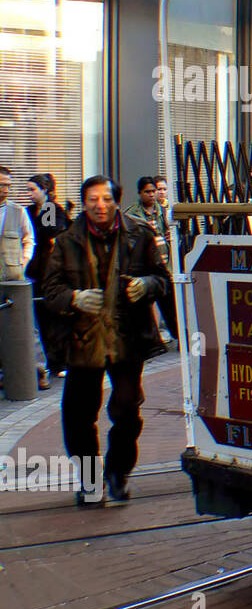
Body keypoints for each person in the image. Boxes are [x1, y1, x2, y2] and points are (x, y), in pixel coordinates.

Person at [43, 175, 169, 506]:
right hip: (82, 341)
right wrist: (74, 298)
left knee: (127, 411)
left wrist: (146, 285)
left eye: (107, 199)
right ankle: (89, 480)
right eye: (93, 200)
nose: (101, 206)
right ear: (83, 204)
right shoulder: (67, 240)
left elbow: (163, 280)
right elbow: (50, 291)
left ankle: (117, 474)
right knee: (78, 416)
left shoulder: (140, 234)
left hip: (126, 339)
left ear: (116, 200)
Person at [0, 165, 50, 391]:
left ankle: (40, 369)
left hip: (15, 276)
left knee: (28, 325)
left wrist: (23, 262)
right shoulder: (34, 209)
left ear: (44, 190)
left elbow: (36, 237)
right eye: (2, 185)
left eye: (8, 185)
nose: (5, 190)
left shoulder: (42, 209)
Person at [26, 173, 71, 376]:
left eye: (33, 189)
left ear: (44, 190)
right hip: (33, 270)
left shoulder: (51, 208)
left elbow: (49, 231)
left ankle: (58, 362)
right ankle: (45, 361)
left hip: (49, 270)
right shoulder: (28, 211)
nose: (29, 194)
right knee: (40, 317)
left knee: (54, 317)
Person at [125, 176, 177, 343]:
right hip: (147, 266)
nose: (152, 195)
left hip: (165, 263)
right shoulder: (131, 214)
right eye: (147, 192)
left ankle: (179, 337)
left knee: (170, 305)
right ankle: (153, 339)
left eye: (154, 191)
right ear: (140, 193)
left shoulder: (163, 212)